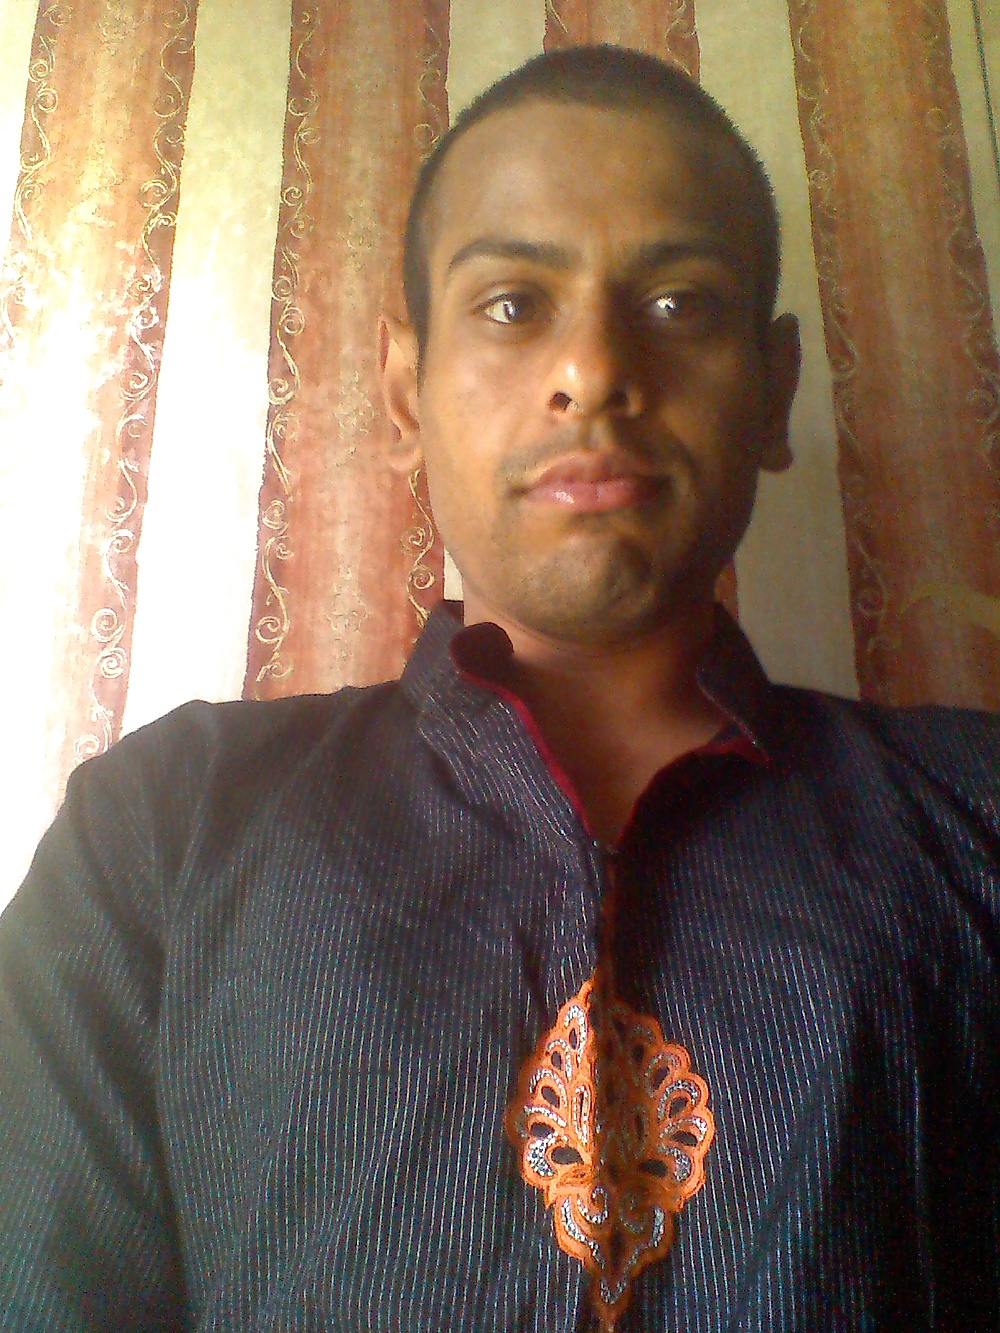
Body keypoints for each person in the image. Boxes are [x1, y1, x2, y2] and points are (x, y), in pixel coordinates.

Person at [1, 43, 998, 1333]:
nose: (595, 370)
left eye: (680, 303)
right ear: (406, 393)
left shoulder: (973, 821)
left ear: (774, 392)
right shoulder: (163, 832)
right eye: (515, 305)